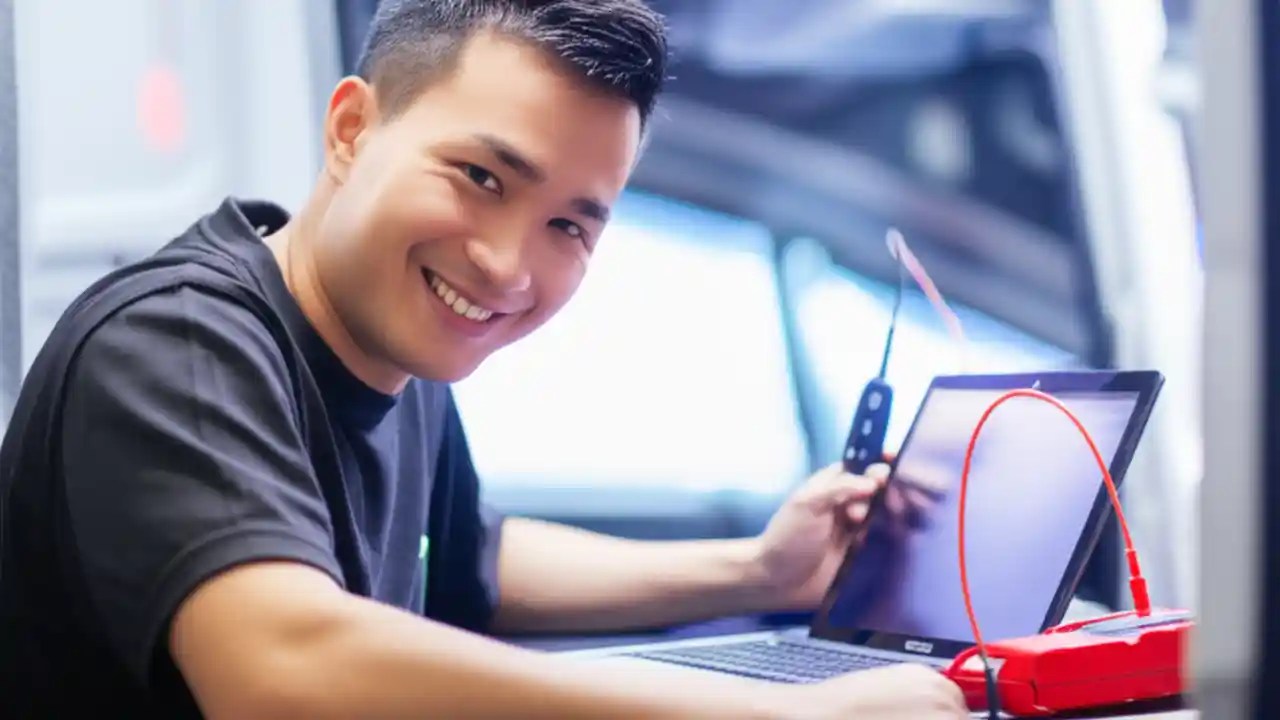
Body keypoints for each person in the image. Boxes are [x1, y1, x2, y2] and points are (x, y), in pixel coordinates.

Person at [0, 1, 968, 717]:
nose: (508, 266)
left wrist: (757, 570)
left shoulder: (391, 354)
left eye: (567, 225)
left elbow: (476, 561)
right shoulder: (177, 345)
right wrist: (774, 714)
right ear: (351, 129)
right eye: (478, 176)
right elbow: (280, 665)